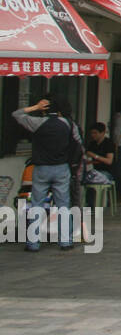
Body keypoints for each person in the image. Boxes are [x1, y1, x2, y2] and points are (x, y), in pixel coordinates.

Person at [12, 98, 81, 251]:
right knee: (63, 205)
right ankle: (65, 242)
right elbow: (78, 144)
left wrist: (35, 107)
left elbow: (16, 114)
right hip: (62, 168)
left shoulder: (37, 123)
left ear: (44, 110)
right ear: (59, 111)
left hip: (41, 168)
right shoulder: (69, 124)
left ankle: (33, 243)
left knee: (36, 205)